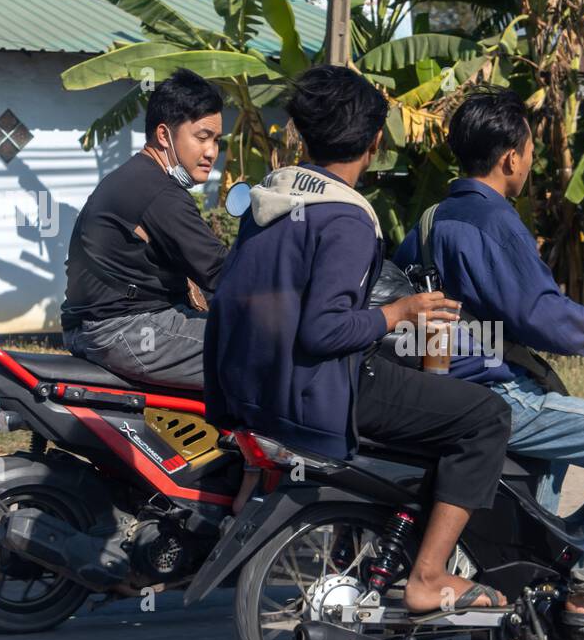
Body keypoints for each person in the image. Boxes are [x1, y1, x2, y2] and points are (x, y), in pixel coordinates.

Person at [204, 66, 513, 612]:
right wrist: (402, 311)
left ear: (304, 135)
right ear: (374, 142)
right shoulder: (344, 217)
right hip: (321, 393)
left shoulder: (268, 201)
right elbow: (325, 329)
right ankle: (429, 574)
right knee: (486, 416)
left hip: (255, 390)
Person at [394, 85, 584, 636]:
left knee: (558, 444)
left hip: (442, 391)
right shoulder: (495, 221)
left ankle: (528, 584)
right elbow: (549, 321)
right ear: (511, 156)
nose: (530, 160)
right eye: (530, 149)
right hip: (496, 396)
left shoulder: (430, 220)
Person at [60, 68, 229, 391]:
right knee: (263, 351)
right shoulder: (159, 192)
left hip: (94, 328)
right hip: (126, 331)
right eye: (202, 137)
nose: (211, 152)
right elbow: (221, 272)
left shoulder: (134, 177)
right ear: (164, 135)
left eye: (217, 140)